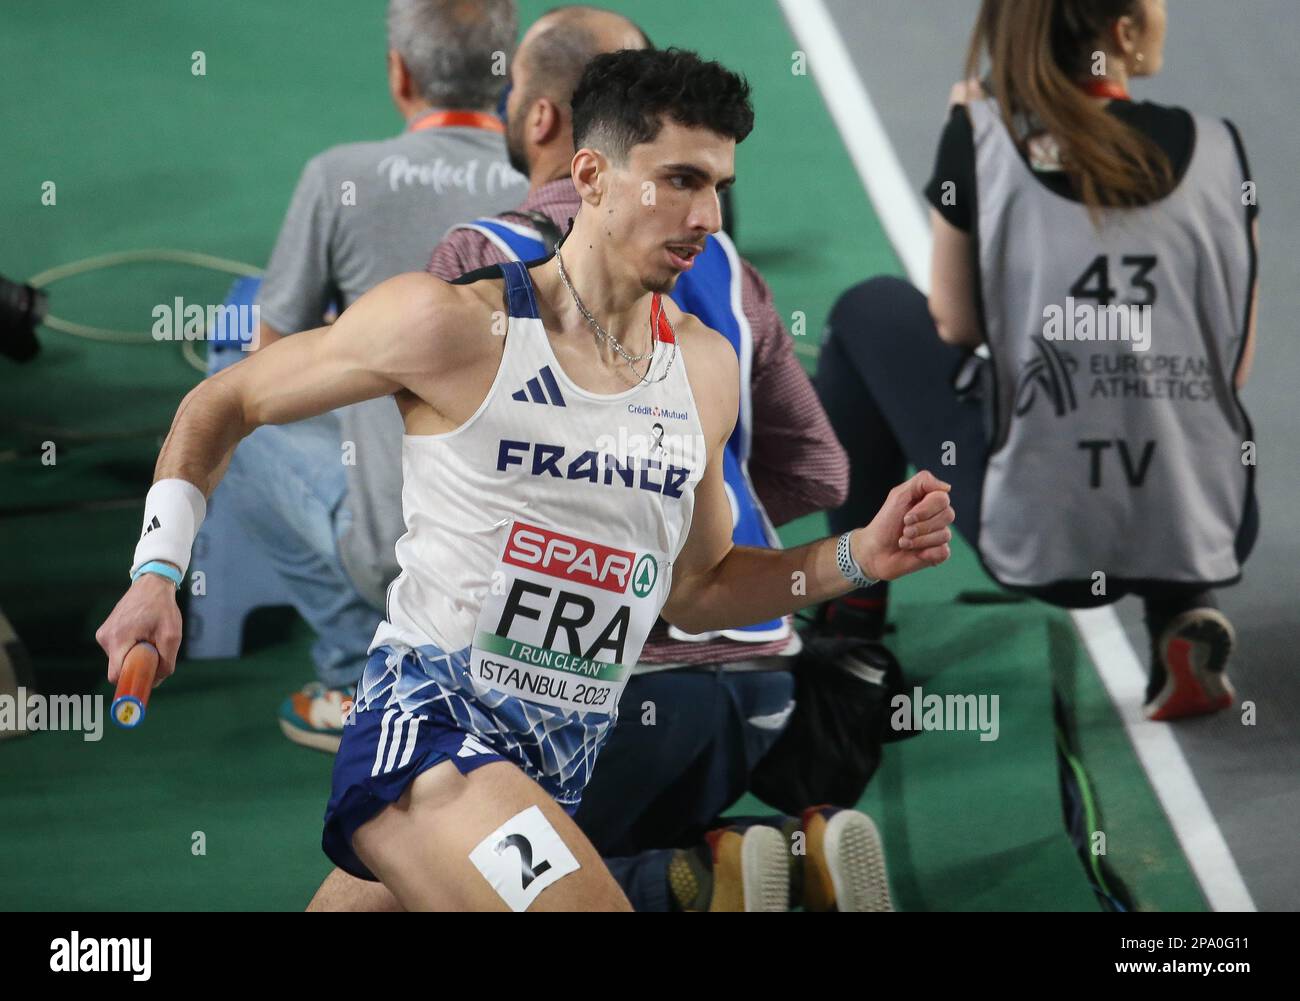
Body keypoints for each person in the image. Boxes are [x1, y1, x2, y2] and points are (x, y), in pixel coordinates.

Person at [95, 47, 954, 912]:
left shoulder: (703, 369)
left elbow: (697, 591)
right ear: (591, 174)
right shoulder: (456, 326)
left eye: (719, 185)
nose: (707, 214)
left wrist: (856, 558)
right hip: (430, 734)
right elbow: (225, 401)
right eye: (681, 180)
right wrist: (158, 574)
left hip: (558, 766)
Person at [429, 7, 883, 913]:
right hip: (761, 689)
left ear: (548, 121)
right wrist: (696, 512)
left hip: (588, 696)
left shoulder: (483, 259)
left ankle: (693, 883)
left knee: (433, 881)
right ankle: (790, 851)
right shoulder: (725, 271)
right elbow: (821, 475)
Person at [816, 0, 1258, 721]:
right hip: (1208, 525)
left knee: (866, 312)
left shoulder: (979, 139)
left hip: (1043, 541)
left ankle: (851, 621)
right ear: (1120, 32)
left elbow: (954, 323)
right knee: (1168, 385)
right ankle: (1182, 601)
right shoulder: (1218, 151)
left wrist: (970, 136)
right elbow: (1229, 366)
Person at [220, 0, 526, 751]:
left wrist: (349, 337)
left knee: (232, 403)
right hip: (547, 556)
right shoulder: (554, 193)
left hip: (407, 553)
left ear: (399, 72)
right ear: (509, 76)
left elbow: (269, 366)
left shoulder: (338, 177)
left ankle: (358, 668)